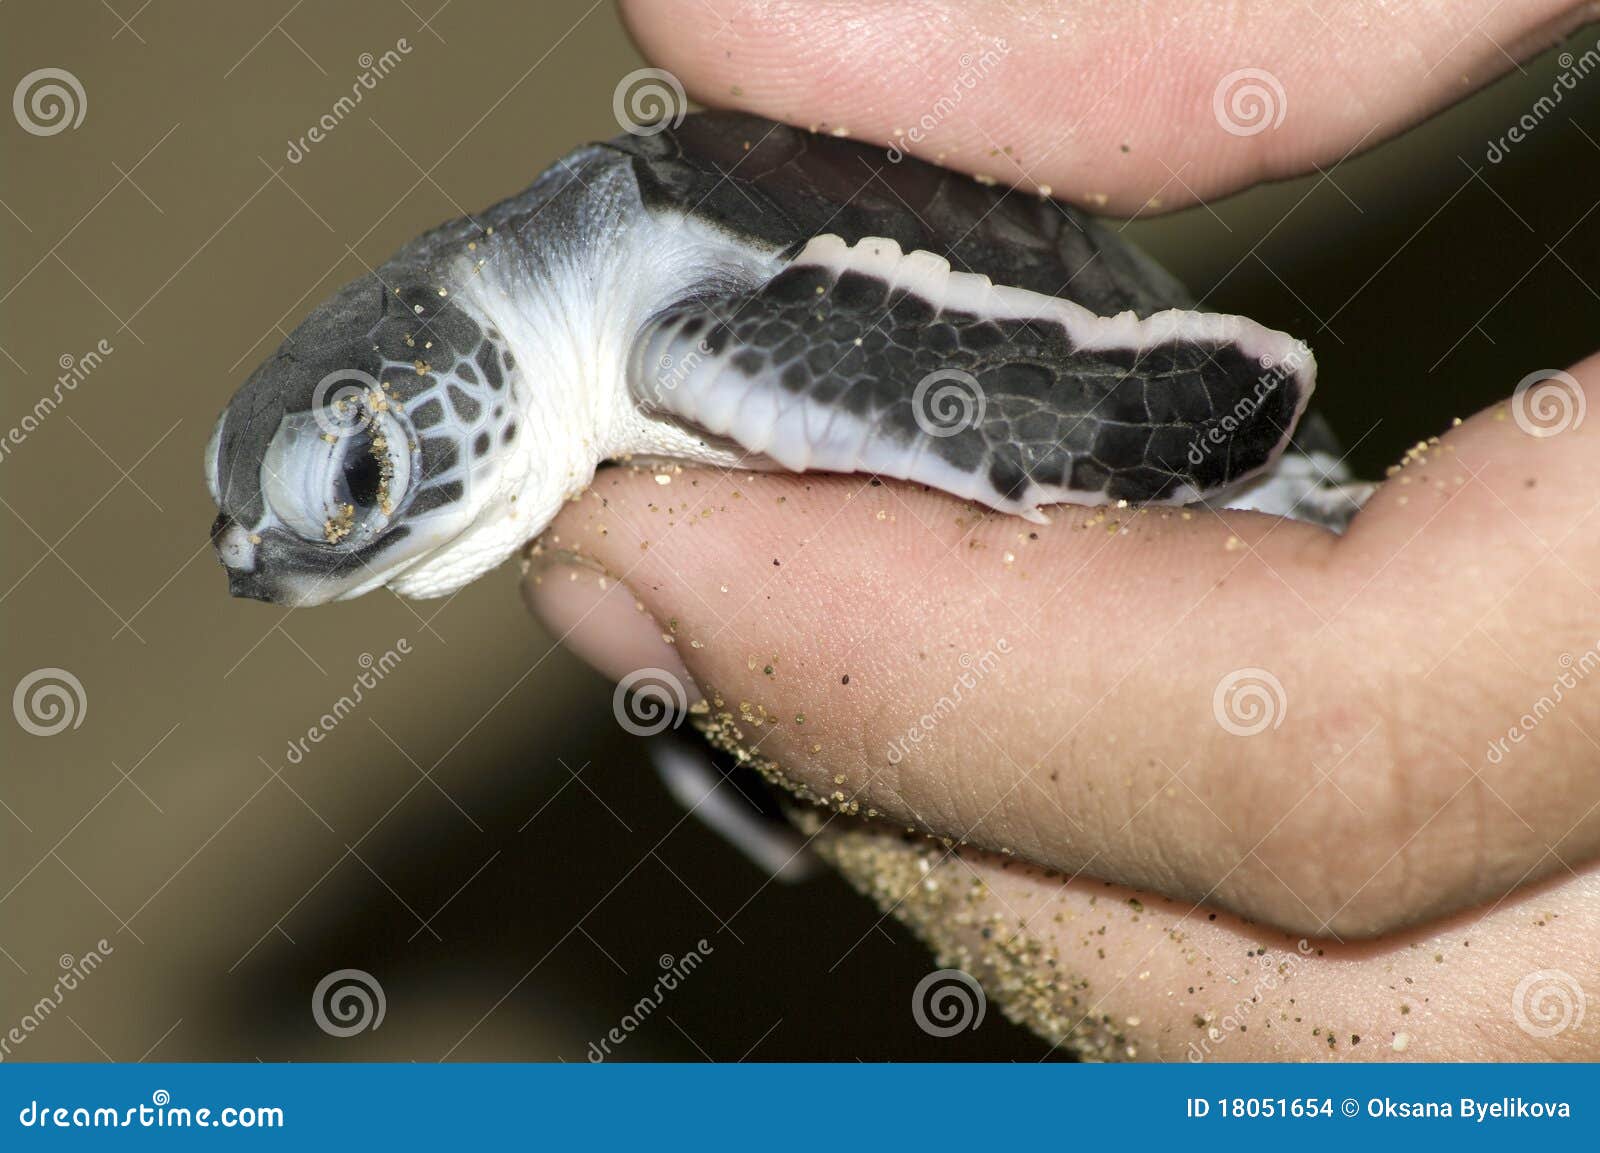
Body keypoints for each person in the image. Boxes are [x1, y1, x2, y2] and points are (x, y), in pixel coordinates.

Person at [527, 0, 1600, 1059]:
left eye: (369, 470)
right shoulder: (599, 426)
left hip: (1225, 482)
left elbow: (1223, 408)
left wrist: (1153, 420)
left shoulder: (668, 323)